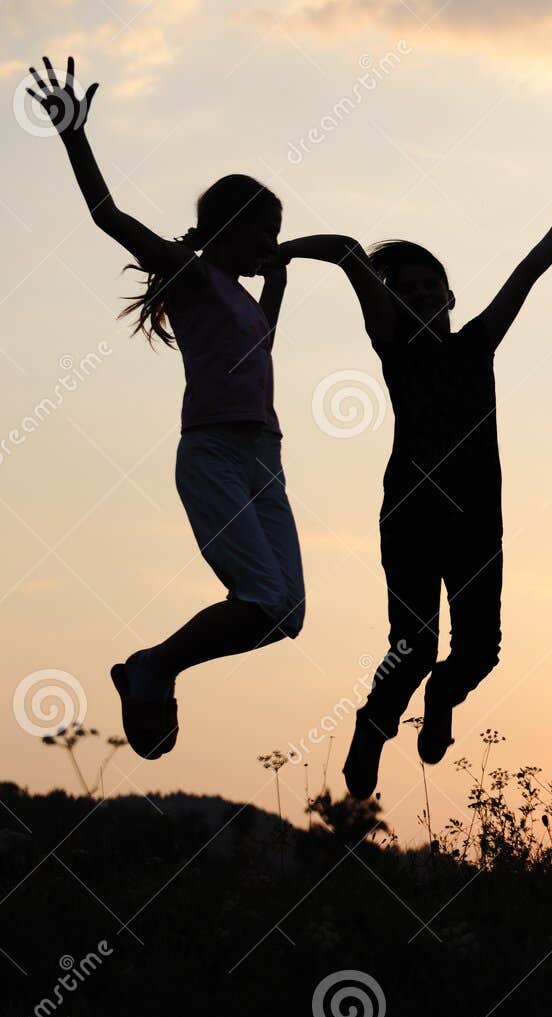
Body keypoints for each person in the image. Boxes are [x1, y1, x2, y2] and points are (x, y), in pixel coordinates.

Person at [29, 56, 301, 759]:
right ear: (230, 229)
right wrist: (73, 136)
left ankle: (153, 667)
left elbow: (264, 341)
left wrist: (278, 280)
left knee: (288, 612)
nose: (272, 242)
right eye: (266, 230)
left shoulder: (242, 296)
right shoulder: (191, 274)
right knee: (264, 601)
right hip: (212, 453)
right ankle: (153, 667)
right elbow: (106, 216)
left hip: (263, 456)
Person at [278, 205, 552, 799]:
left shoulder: (477, 344)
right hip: (412, 517)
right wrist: (283, 253)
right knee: (413, 645)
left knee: (479, 651)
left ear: (449, 298)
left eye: (430, 287)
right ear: (393, 303)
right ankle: (374, 723)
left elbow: (524, 277)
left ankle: (442, 696)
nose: (420, 294)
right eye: (407, 288)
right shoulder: (394, 347)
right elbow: (347, 247)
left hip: (477, 523)